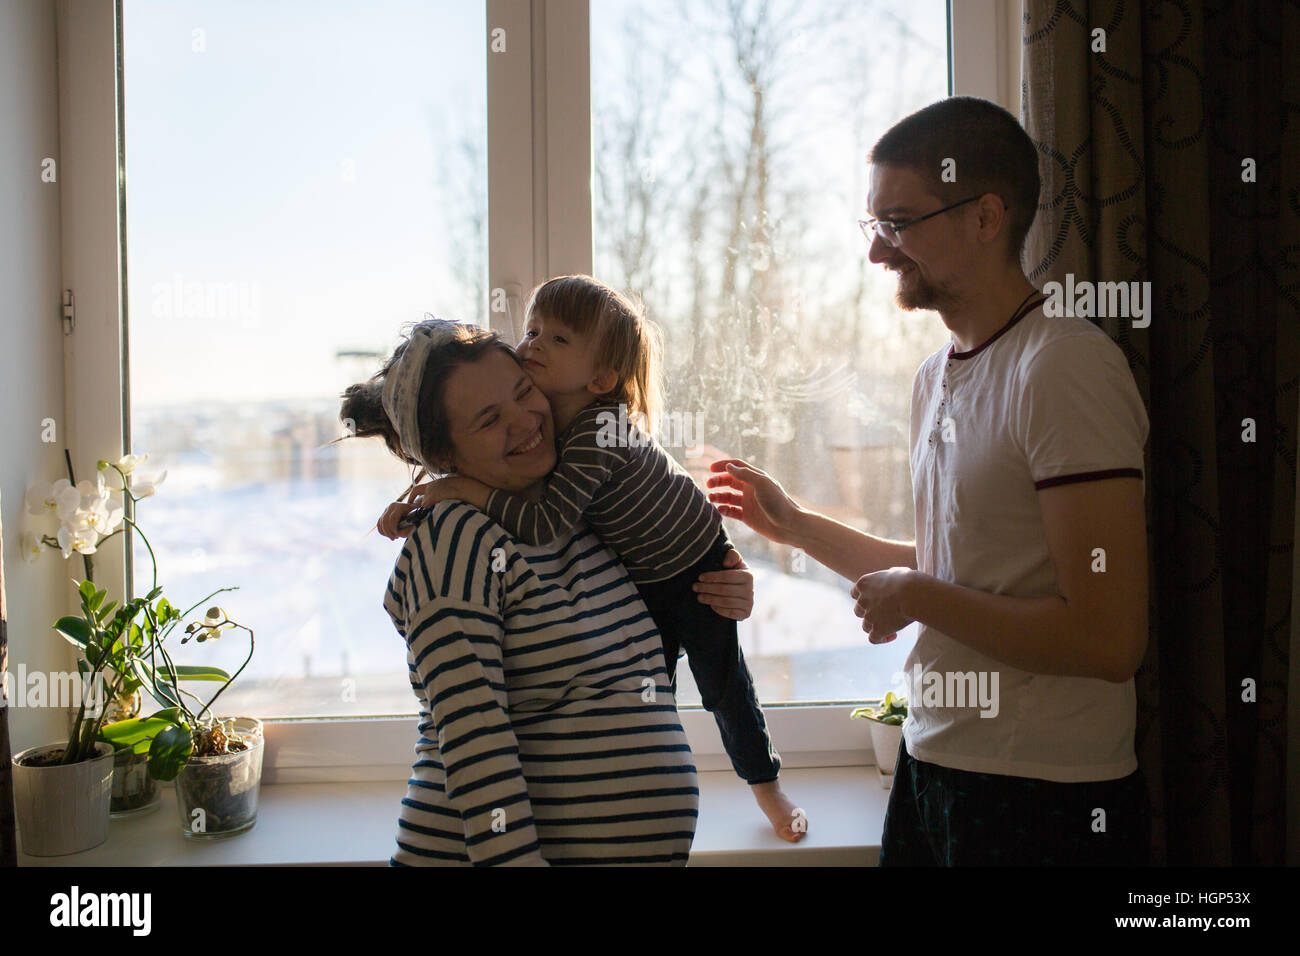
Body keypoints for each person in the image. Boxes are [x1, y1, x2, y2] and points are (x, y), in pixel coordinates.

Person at [707, 96, 1152, 866]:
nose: (878, 253)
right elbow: (961, 570)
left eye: (900, 222)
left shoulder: (1064, 367)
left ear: (986, 217)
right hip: (934, 764)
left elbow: (1109, 638)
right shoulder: (933, 379)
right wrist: (795, 525)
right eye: (873, 224)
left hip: (1042, 794)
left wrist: (916, 598)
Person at [382, 276, 804, 843]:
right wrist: (448, 492)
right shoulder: (457, 538)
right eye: (488, 419)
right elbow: (475, 747)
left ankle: (766, 785)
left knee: (722, 686)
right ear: (441, 455)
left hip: (692, 568)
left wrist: (728, 576)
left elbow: (648, 523)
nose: (526, 419)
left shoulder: (571, 484)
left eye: (524, 390)